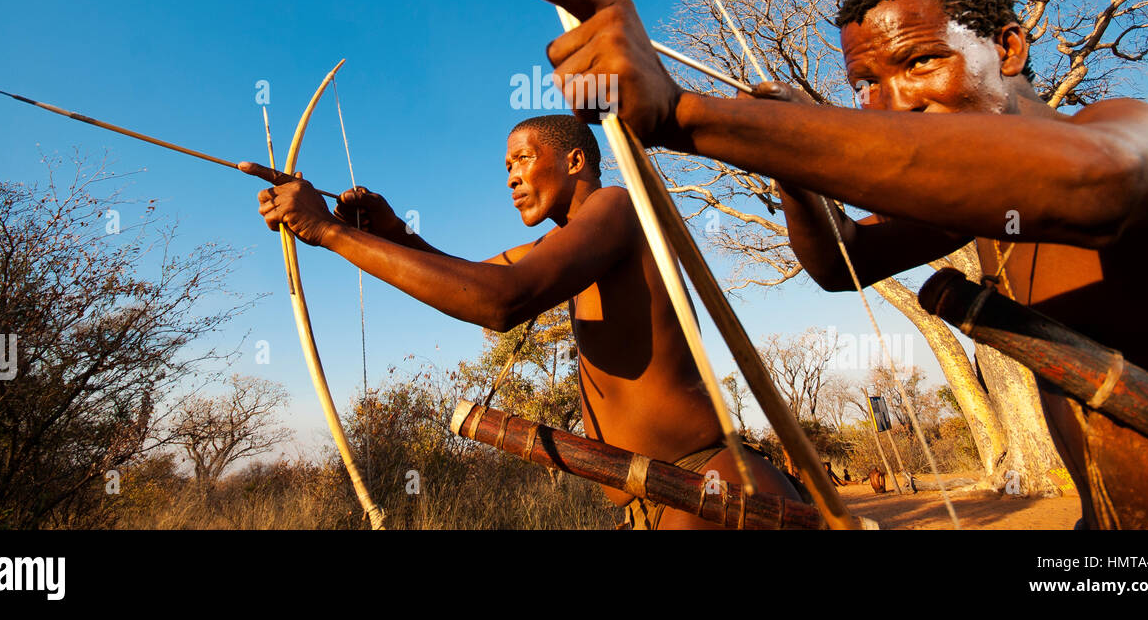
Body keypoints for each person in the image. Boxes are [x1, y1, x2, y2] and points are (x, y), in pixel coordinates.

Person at [524, 0, 1148, 529]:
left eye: (919, 63)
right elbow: (841, 260)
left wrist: (686, 113)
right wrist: (788, 164)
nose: (896, 103)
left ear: (1009, 47)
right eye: (866, 85)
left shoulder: (1130, 130)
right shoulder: (983, 214)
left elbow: (1099, 185)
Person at [241, 114, 797, 529]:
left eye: (522, 159)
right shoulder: (559, 244)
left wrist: (330, 232)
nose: (510, 177)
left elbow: (500, 301)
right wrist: (389, 234)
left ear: (575, 161)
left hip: (704, 485)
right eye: (507, 167)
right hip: (660, 498)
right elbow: (470, 278)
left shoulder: (617, 208)